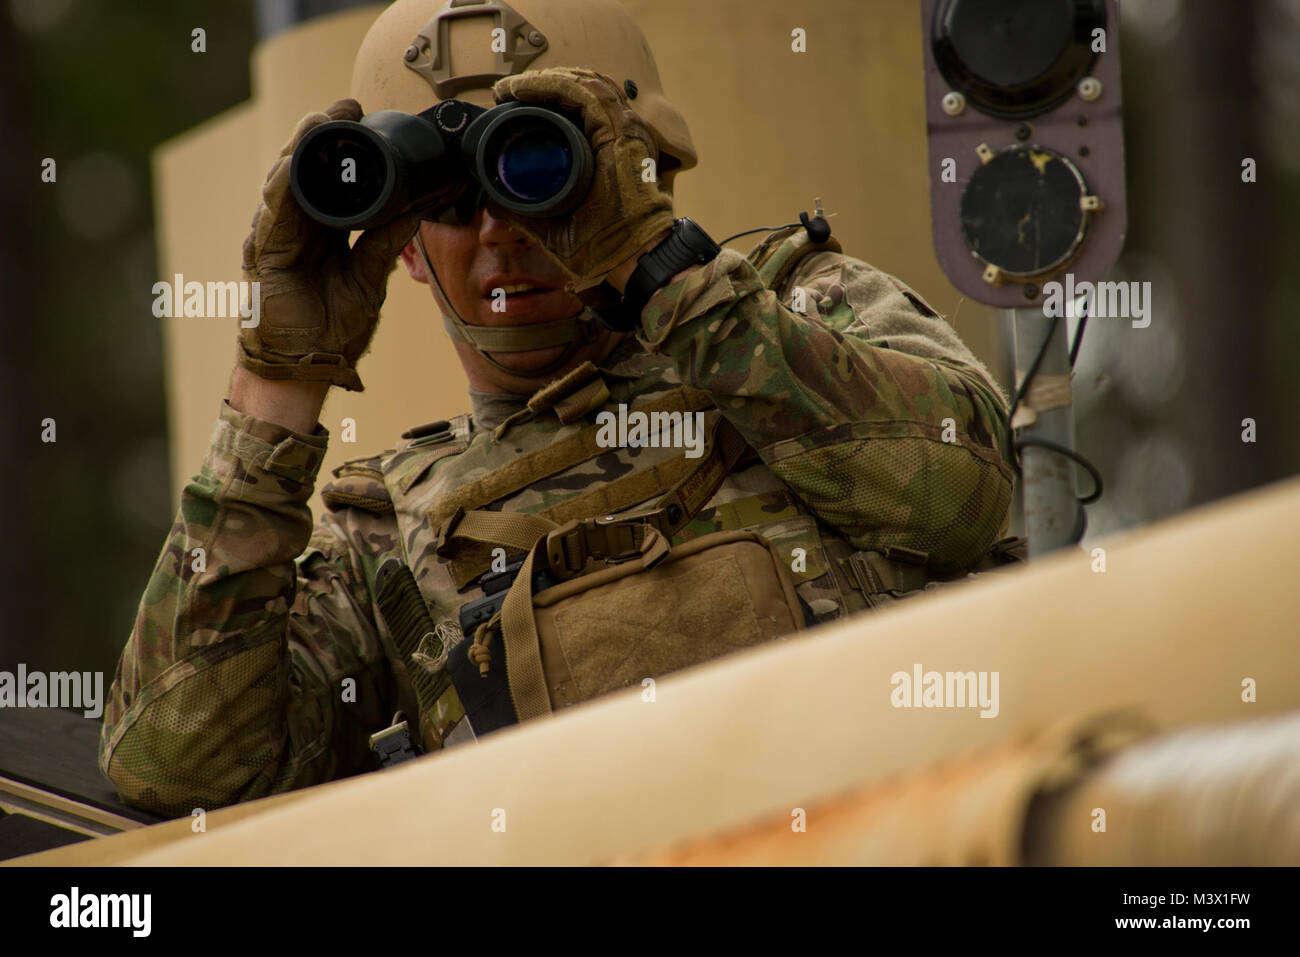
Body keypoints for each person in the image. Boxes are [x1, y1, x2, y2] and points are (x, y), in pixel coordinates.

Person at [100, 0, 1014, 817]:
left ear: (643, 175)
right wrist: (275, 384)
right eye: (451, 201)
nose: (501, 230)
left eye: (535, 169)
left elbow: (961, 494)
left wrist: (663, 270)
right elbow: (176, 767)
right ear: (406, 249)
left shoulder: (807, 311)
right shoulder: (382, 539)